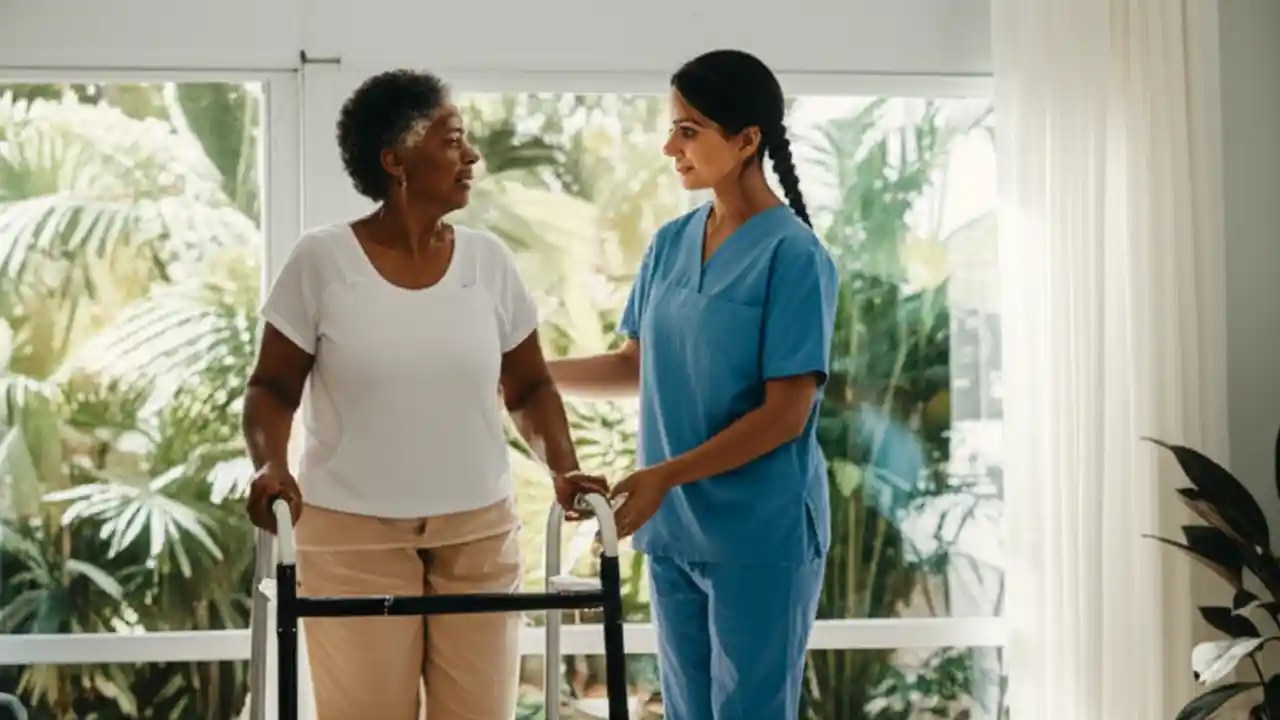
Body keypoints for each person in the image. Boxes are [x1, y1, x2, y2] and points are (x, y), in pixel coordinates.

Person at [241, 69, 606, 720]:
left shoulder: (488, 263)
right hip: (351, 536)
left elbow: (527, 386)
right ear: (395, 160)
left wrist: (562, 464)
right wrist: (271, 463)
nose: (471, 156)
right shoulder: (322, 261)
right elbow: (271, 386)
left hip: (478, 532)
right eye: (453, 139)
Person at [548, 49, 838, 719]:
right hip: (673, 527)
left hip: (759, 531)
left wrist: (665, 475)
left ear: (745, 141)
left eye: (689, 129)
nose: (669, 145)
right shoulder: (671, 243)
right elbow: (635, 367)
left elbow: (785, 416)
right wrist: (523, 373)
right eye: (672, 127)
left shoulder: (794, 257)